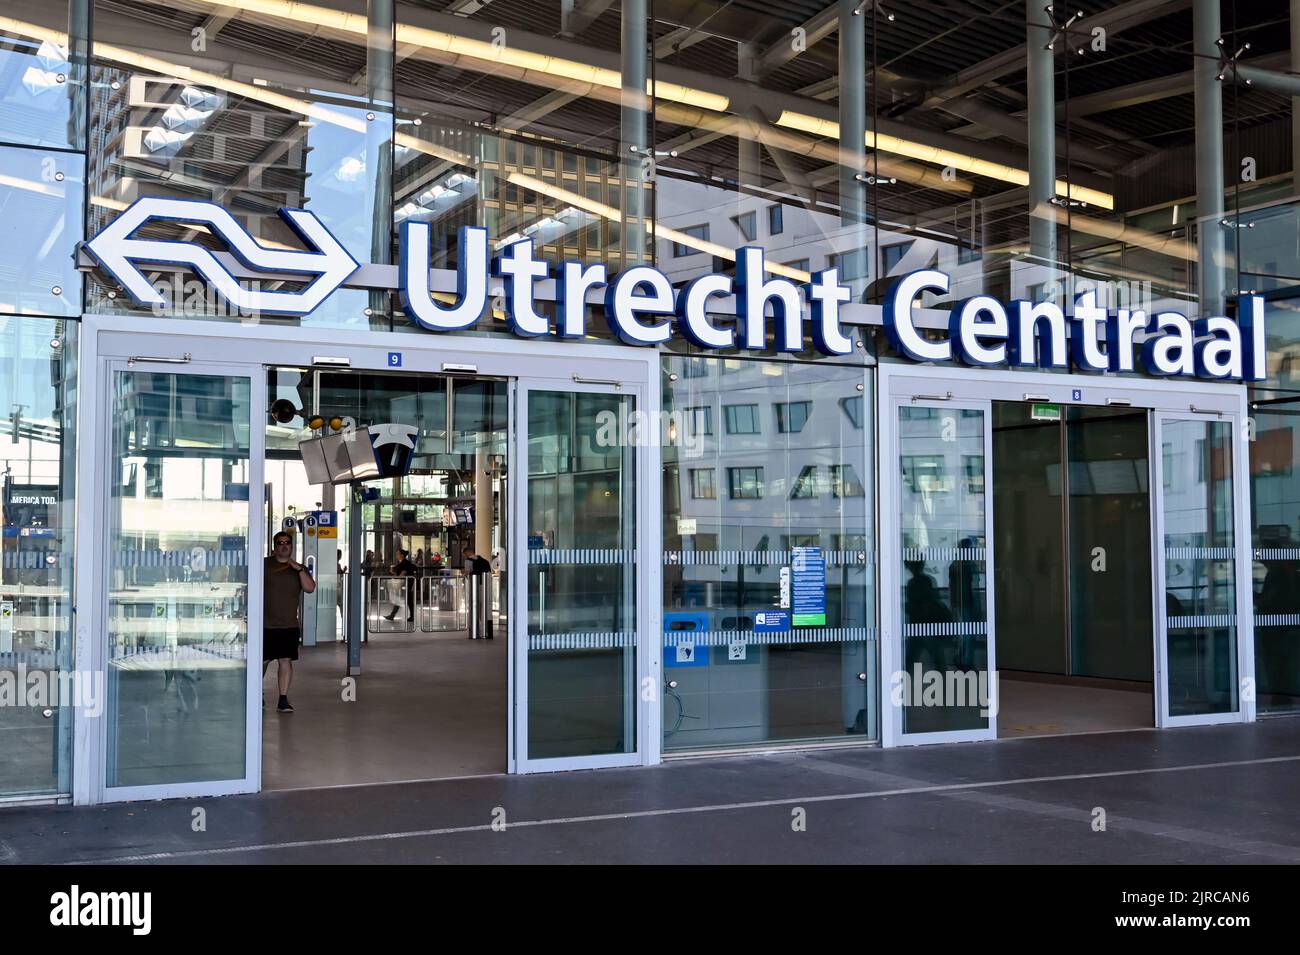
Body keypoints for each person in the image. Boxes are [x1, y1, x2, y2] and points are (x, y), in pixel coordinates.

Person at [264, 531, 314, 712]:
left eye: (287, 543)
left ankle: (283, 698)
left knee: (285, 660)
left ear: (292, 546)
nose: (283, 546)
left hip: (289, 624)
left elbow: (310, 588)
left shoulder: (299, 568)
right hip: (265, 623)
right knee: (263, 660)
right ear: (274, 546)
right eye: (280, 543)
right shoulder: (264, 565)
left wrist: (299, 569)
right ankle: (257, 692)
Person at [463, 545, 494, 639]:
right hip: (486, 585)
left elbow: (467, 572)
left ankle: (477, 627)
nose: (464, 556)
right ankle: (486, 629)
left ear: (467, 552)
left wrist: (463, 574)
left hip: (475, 585)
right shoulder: (484, 561)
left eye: (464, 554)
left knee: (475, 605)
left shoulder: (468, 561)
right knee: (485, 605)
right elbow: (489, 572)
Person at [384, 547, 418, 622]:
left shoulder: (405, 563)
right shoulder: (402, 563)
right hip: (405, 583)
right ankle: (394, 615)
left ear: (402, 555)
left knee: (403, 598)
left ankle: (393, 615)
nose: (396, 555)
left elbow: (403, 573)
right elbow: (399, 573)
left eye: (397, 554)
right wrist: (393, 573)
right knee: (406, 599)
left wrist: (395, 576)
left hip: (406, 583)